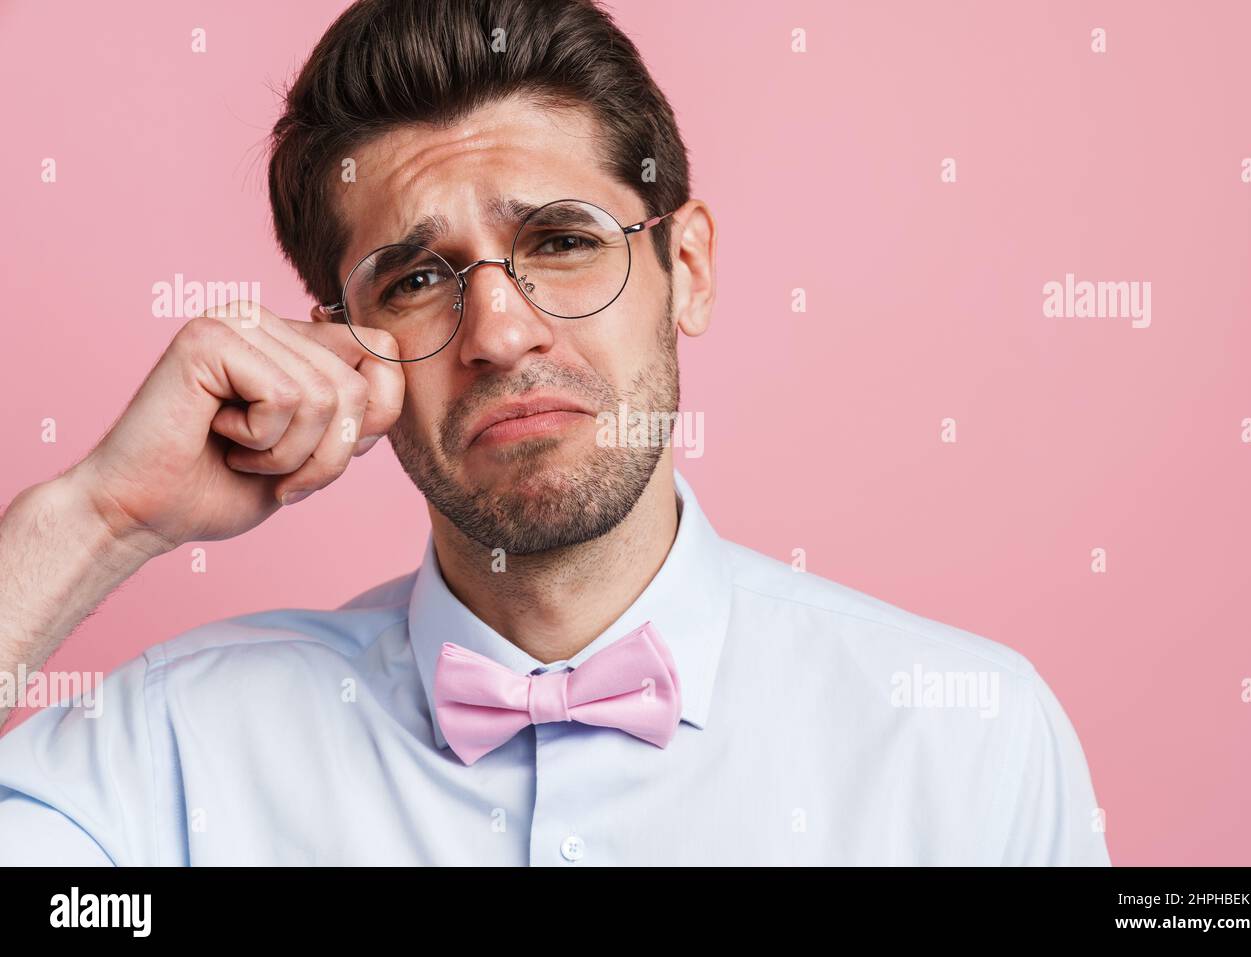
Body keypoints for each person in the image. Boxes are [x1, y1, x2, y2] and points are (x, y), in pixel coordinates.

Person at [0, 0, 1110, 866]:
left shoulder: (968, 740)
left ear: (689, 269)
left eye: (563, 241)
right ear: (341, 348)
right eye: (419, 277)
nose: (500, 331)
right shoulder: (172, 754)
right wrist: (98, 519)